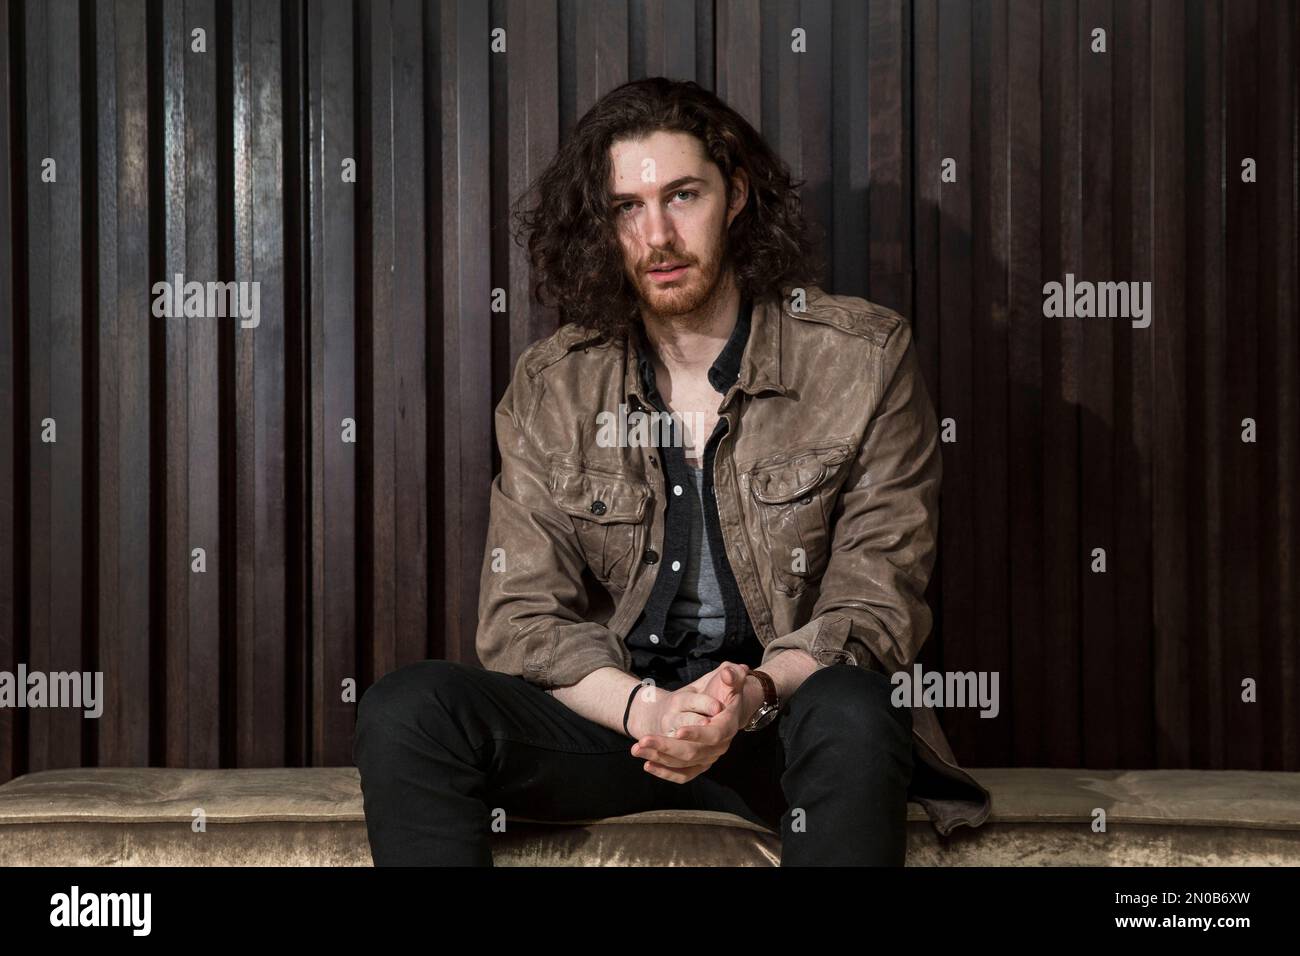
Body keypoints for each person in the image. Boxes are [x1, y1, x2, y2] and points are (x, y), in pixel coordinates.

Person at [353, 77, 990, 866]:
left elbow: (876, 602)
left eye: (683, 195)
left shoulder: (861, 359)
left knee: (855, 708)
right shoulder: (554, 385)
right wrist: (648, 710)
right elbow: (523, 620)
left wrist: (749, 695)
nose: (657, 235)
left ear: (736, 195)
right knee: (407, 710)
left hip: (782, 723)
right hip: (623, 723)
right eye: (627, 206)